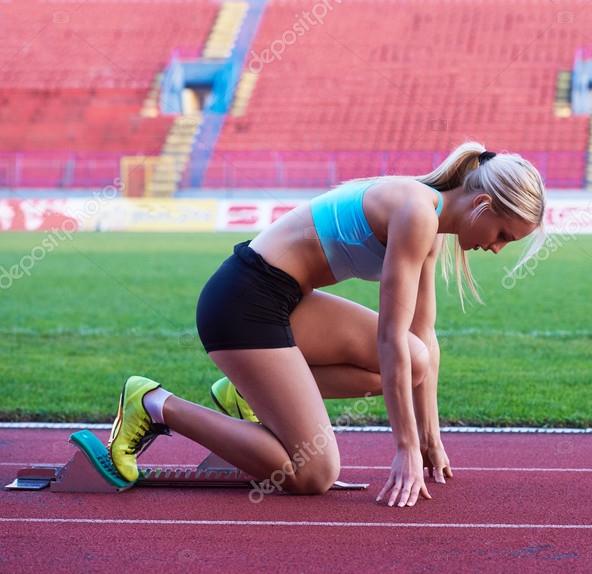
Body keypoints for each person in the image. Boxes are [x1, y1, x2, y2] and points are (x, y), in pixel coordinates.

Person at [105, 142, 547, 508]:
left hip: (284, 301)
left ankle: (244, 394)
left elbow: (422, 337)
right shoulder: (417, 213)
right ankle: (155, 403)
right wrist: (404, 448)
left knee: (417, 358)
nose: (496, 248)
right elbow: (389, 338)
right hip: (242, 303)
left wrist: (430, 440)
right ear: (483, 204)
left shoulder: (428, 221)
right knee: (312, 473)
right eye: (503, 235)